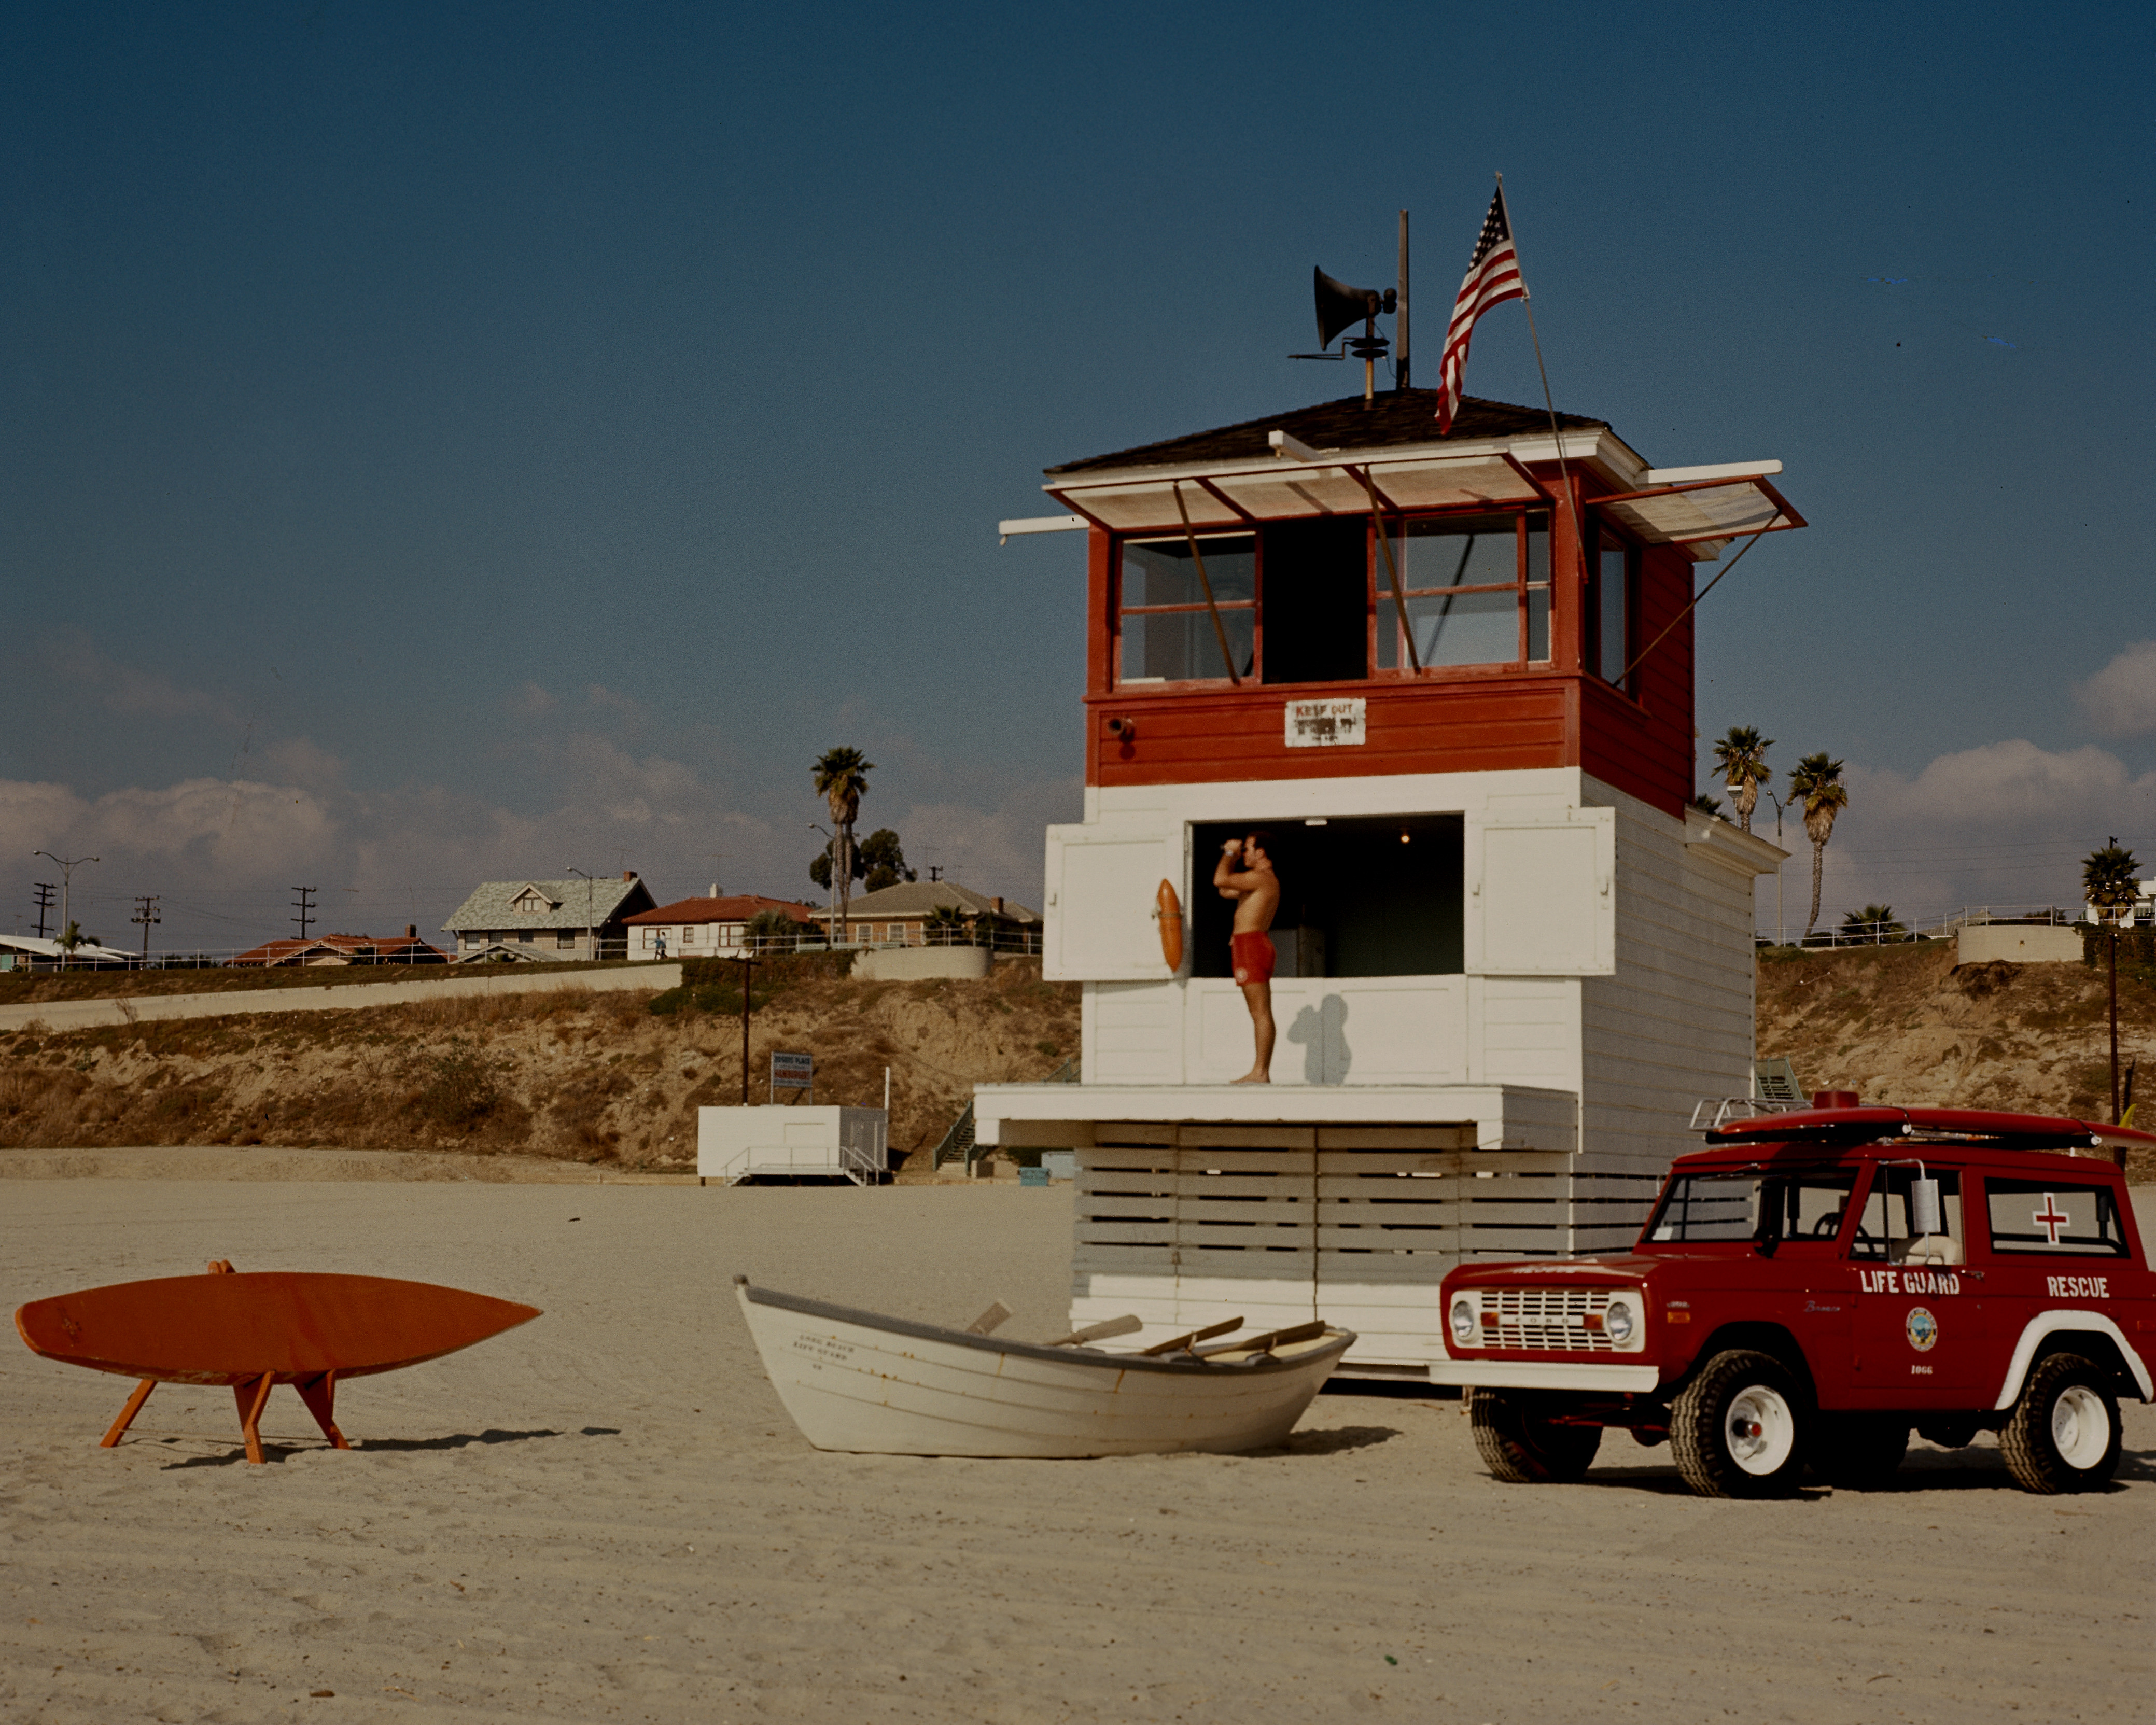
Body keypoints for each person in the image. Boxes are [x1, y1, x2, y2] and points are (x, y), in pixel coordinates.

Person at [1212, 830, 1281, 1084]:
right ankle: (1260, 1071)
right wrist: (1231, 866)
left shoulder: (1262, 878)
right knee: (1259, 1011)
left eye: (1248, 849)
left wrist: (1229, 853)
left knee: (1260, 1012)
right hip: (1248, 944)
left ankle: (1261, 1072)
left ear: (1261, 852)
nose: (1244, 854)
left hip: (1252, 945)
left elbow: (1220, 880)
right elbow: (1226, 891)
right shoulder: (1260, 881)